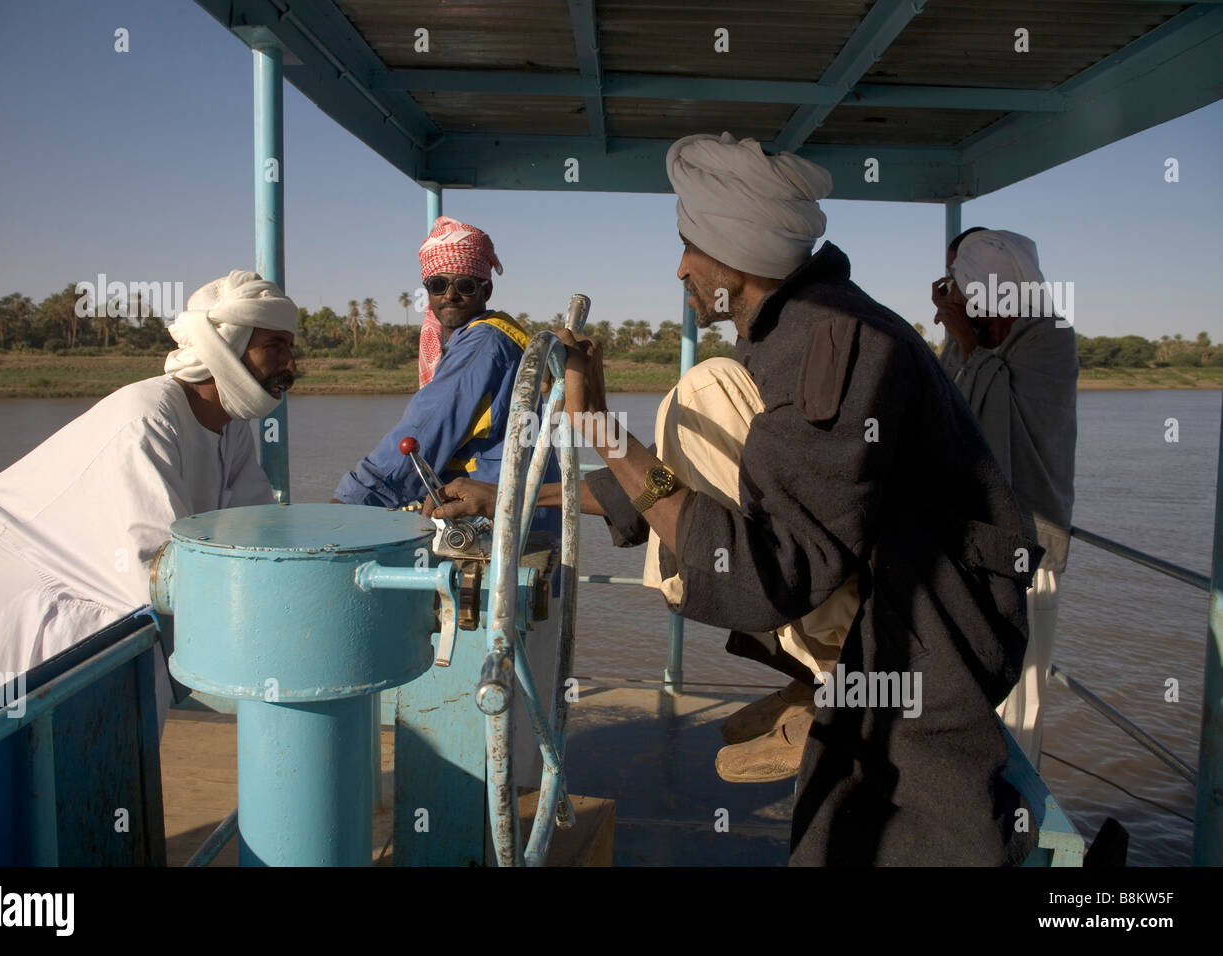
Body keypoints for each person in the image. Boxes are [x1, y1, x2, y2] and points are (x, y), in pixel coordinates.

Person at [433, 131, 1041, 865]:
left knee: (878, 833)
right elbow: (661, 490)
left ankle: (832, 668)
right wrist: (506, 495)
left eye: (692, 247)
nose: (681, 267)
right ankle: (825, 671)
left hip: (935, 635)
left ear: (738, 256)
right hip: (884, 592)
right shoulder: (795, 332)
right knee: (701, 404)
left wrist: (599, 426)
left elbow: (764, 575)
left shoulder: (832, 348)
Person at [0, 270, 297, 731]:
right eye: (275, 346)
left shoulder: (231, 429)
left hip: (82, 584)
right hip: (7, 574)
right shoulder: (145, 418)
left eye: (291, 349)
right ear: (227, 343)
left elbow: (255, 531)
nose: (290, 366)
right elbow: (158, 574)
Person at [933, 227, 1078, 766]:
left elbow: (985, 418)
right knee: (965, 669)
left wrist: (968, 342)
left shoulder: (1048, 336)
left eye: (963, 282)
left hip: (1031, 539)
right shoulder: (973, 337)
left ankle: (1016, 809)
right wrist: (962, 338)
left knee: (1021, 684)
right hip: (969, 538)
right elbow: (945, 406)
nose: (956, 295)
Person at [331, 216, 559, 516]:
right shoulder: (492, 334)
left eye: (464, 285)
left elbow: (422, 433)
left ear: (485, 291)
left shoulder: (482, 345)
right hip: (521, 513)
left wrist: (349, 504)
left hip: (499, 525)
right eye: (438, 285)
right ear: (428, 290)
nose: (449, 295)